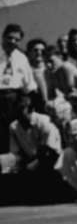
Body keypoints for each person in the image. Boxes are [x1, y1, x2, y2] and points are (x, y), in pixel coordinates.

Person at [3, 91, 62, 177]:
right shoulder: (13, 127)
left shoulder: (44, 122)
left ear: (31, 109)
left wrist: (31, 166)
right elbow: (16, 153)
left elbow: (49, 151)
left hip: (53, 162)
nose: (18, 112)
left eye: (22, 108)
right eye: (15, 108)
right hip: (31, 162)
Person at [0, 24, 37, 153]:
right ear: (3, 37)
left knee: (14, 134)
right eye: (10, 38)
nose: (13, 42)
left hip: (14, 99)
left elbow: (29, 84)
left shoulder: (22, 58)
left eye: (17, 39)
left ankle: (11, 168)